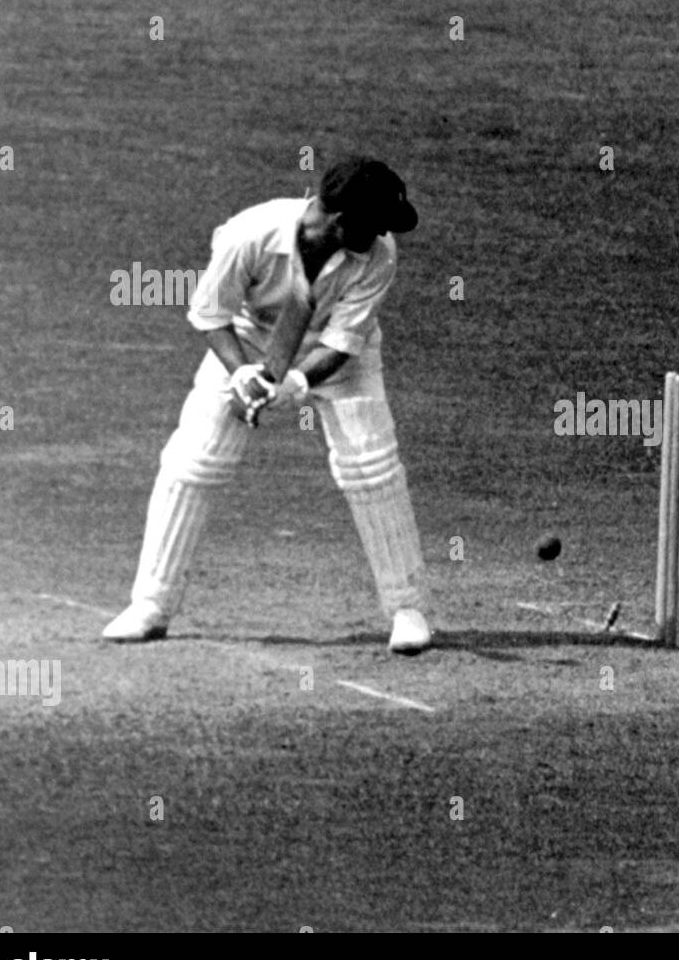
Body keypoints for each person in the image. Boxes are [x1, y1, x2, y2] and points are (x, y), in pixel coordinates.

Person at [102, 155, 432, 654]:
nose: (385, 234)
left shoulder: (378, 255)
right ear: (341, 220)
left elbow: (343, 345)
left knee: (371, 465)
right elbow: (211, 314)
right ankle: (151, 604)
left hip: (336, 357)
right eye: (377, 223)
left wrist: (295, 383)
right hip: (248, 342)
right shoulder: (249, 234)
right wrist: (243, 373)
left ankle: (408, 609)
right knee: (195, 460)